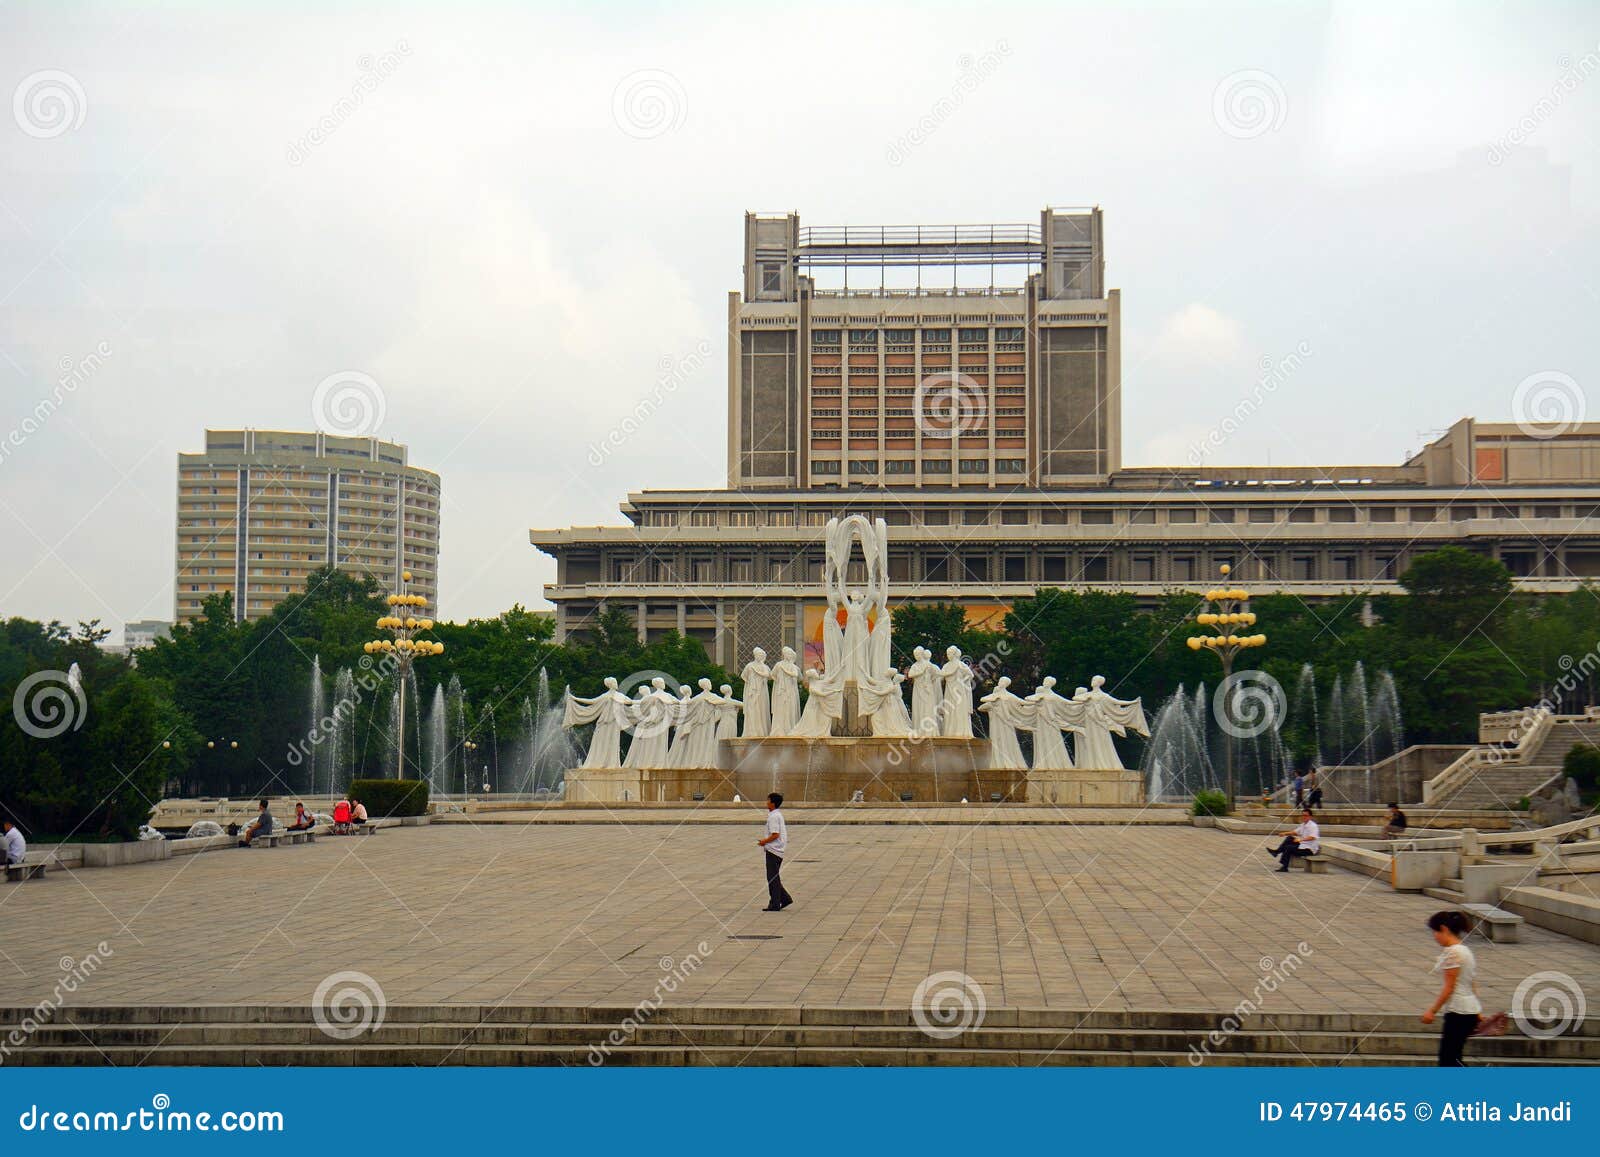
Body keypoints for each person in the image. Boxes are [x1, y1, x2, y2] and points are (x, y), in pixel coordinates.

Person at [1422, 910, 1482, 1066]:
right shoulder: (1464, 950)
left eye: (1435, 931)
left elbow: (1449, 988)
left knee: (1448, 1058)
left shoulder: (1453, 953)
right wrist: (1478, 1011)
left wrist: (1432, 1011)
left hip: (1458, 1011)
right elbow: (1472, 982)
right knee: (1454, 1056)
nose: (1435, 936)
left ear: (1444, 929)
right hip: (1469, 1010)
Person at [756, 792, 793, 912]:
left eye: (768, 800)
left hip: (774, 850)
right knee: (774, 877)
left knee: (772, 878)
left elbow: (775, 835)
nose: (766, 802)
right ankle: (785, 899)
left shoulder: (773, 817)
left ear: (772, 803)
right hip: (778, 850)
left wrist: (763, 841)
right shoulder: (777, 815)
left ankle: (775, 903)